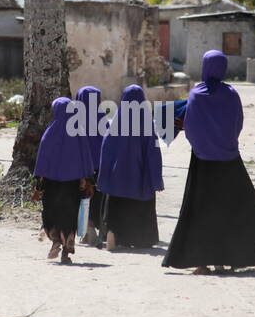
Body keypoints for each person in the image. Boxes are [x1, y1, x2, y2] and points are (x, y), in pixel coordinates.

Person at [163, 50, 255, 273]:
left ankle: (202, 262)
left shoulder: (196, 94)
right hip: (229, 159)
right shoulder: (232, 94)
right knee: (232, 210)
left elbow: (191, 128)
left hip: (202, 162)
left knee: (200, 212)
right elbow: (238, 123)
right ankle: (230, 259)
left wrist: (201, 146)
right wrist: (226, 143)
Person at [96, 83, 163, 249]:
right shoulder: (147, 124)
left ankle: (112, 233)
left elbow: (106, 152)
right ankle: (138, 238)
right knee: (140, 208)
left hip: (117, 179)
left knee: (115, 207)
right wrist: (156, 180)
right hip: (139, 179)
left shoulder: (115, 124)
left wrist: (104, 177)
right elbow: (153, 154)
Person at [33, 96, 95, 264]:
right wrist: (87, 180)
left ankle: (55, 240)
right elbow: (86, 158)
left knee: (52, 214)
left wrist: (38, 188)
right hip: (72, 185)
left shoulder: (50, 133)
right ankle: (66, 251)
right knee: (69, 215)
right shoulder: (78, 132)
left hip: (52, 186)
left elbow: (42, 163)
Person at [75, 85, 107, 245]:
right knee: (97, 200)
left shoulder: (74, 120)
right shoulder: (103, 119)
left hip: (81, 168)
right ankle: (94, 229)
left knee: (82, 198)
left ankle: (87, 229)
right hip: (100, 168)